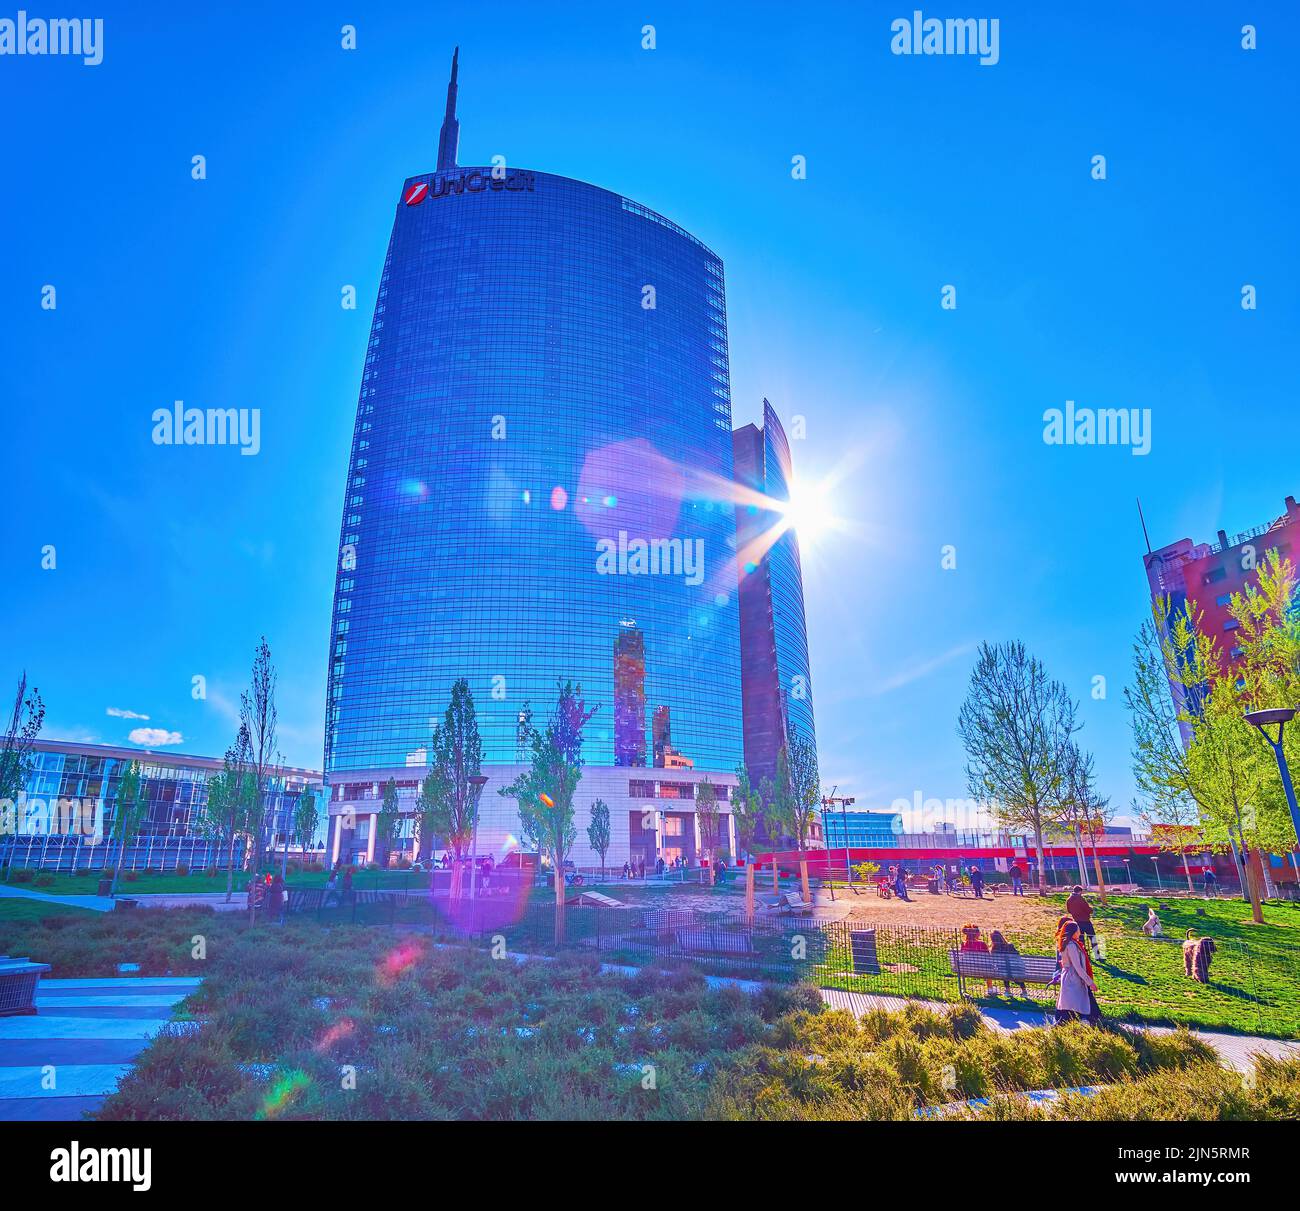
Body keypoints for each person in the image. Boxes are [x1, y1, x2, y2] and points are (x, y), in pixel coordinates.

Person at [1055, 921, 1098, 1024]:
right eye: (1078, 930)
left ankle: (1086, 1022)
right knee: (1078, 1007)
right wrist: (1090, 982)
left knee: (1069, 1009)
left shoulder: (1068, 943)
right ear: (1073, 932)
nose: (1080, 932)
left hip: (1069, 978)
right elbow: (1077, 966)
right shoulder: (1072, 946)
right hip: (1073, 979)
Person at [989, 930, 1029, 998]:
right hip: (1016, 970)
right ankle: (1024, 991)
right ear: (1001, 937)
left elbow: (994, 961)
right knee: (1014, 970)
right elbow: (1018, 956)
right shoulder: (1010, 946)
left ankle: (1008, 990)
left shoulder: (994, 950)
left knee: (1004, 970)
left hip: (1003, 972)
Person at [1066, 885, 1100, 959]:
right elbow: (1087, 909)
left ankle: (1084, 955)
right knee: (1092, 937)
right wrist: (1091, 910)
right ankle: (1097, 955)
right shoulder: (1080, 899)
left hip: (1077, 922)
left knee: (1081, 939)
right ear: (1080, 891)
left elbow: (1068, 910)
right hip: (1085, 921)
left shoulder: (1068, 900)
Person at [960, 924, 996, 994]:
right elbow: (988, 957)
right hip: (982, 969)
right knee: (989, 967)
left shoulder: (964, 944)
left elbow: (962, 956)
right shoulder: (982, 944)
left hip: (967, 968)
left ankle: (963, 989)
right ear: (976, 934)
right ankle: (990, 989)